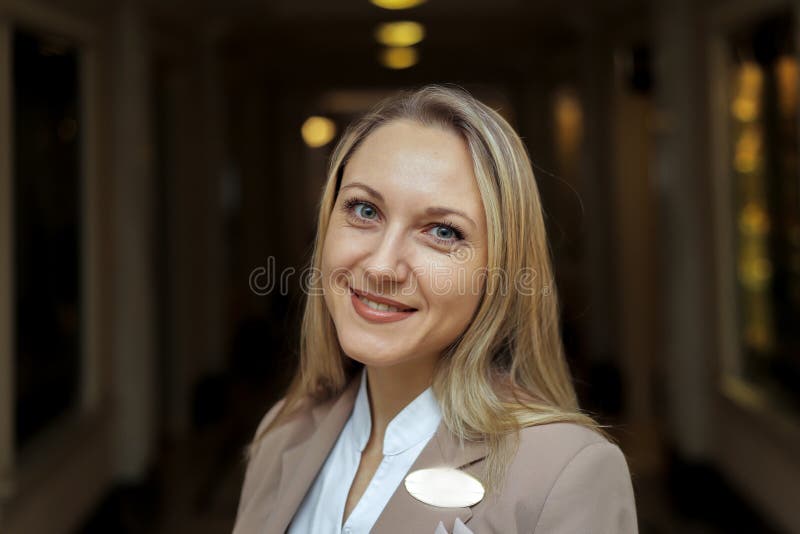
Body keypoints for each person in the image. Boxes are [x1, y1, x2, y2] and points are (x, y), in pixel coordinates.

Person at [233, 85, 638, 534]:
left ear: (499, 272)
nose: (381, 266)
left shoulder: (567, 474)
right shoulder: (282, 433)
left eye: (443, 232)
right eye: (364, 210)